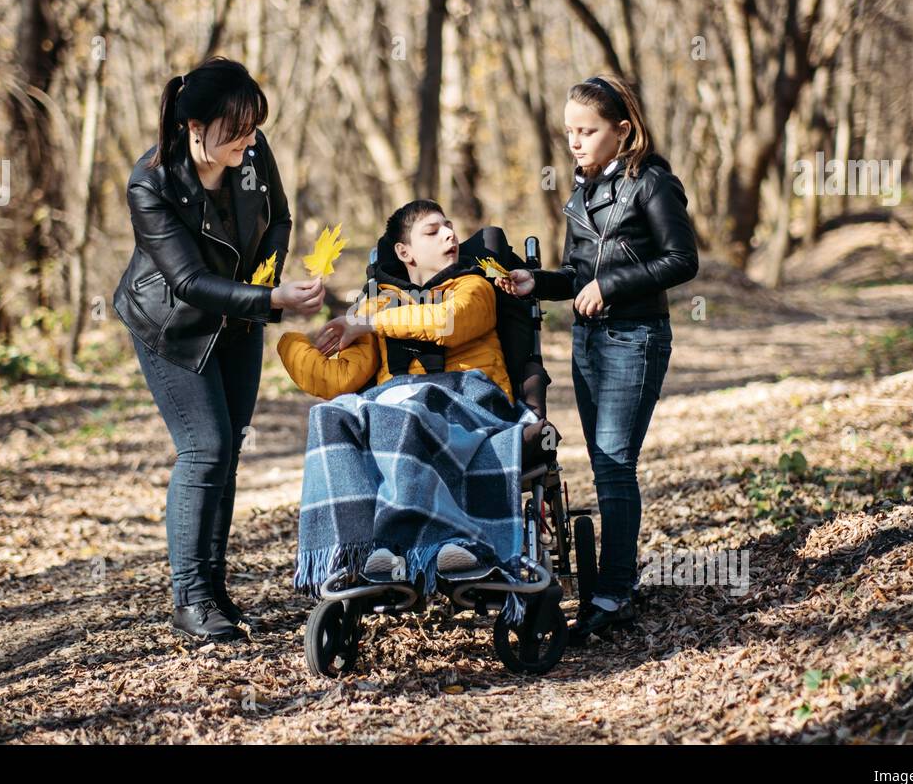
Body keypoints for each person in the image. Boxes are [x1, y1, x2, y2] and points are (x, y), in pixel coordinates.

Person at [113, 57, 325, 643]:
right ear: (194, 126)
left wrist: (266, 280)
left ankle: (213, 588)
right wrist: (269, 298)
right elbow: (187, 282)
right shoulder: (151, 185)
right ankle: (190, 597)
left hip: (240, 319)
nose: (249, 140)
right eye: (236, 130)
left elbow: (279, 219)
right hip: (173, 326)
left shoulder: (253, 155)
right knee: (204, 447)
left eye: (254, 127)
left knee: (227, 450)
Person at [500, 74, 698, 640]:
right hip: (589, 341)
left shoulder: (653, 183)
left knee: (614, 464)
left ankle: (613, 593)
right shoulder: (582, 192)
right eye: (569, 132)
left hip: (634, 337)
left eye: (588, 131)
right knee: (605, 463)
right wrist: (533, 282)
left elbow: (682, 261)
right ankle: (612, 585)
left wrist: (612, 287)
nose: (576, 142)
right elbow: (577, 277)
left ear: (623, 130)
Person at [278, 200, 552, 583]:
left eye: (449, 226)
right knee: (334, 414)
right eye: (433, 230)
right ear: (404, 252)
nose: (450, 234)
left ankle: (444, 540)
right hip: (396, 404)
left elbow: (447, 323)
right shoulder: (377, 302)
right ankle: (357, 549)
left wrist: (369, 322)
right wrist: (291, 339)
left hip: (471, 401)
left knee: (407, 408)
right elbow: (336, 381)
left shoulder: (474, 286)